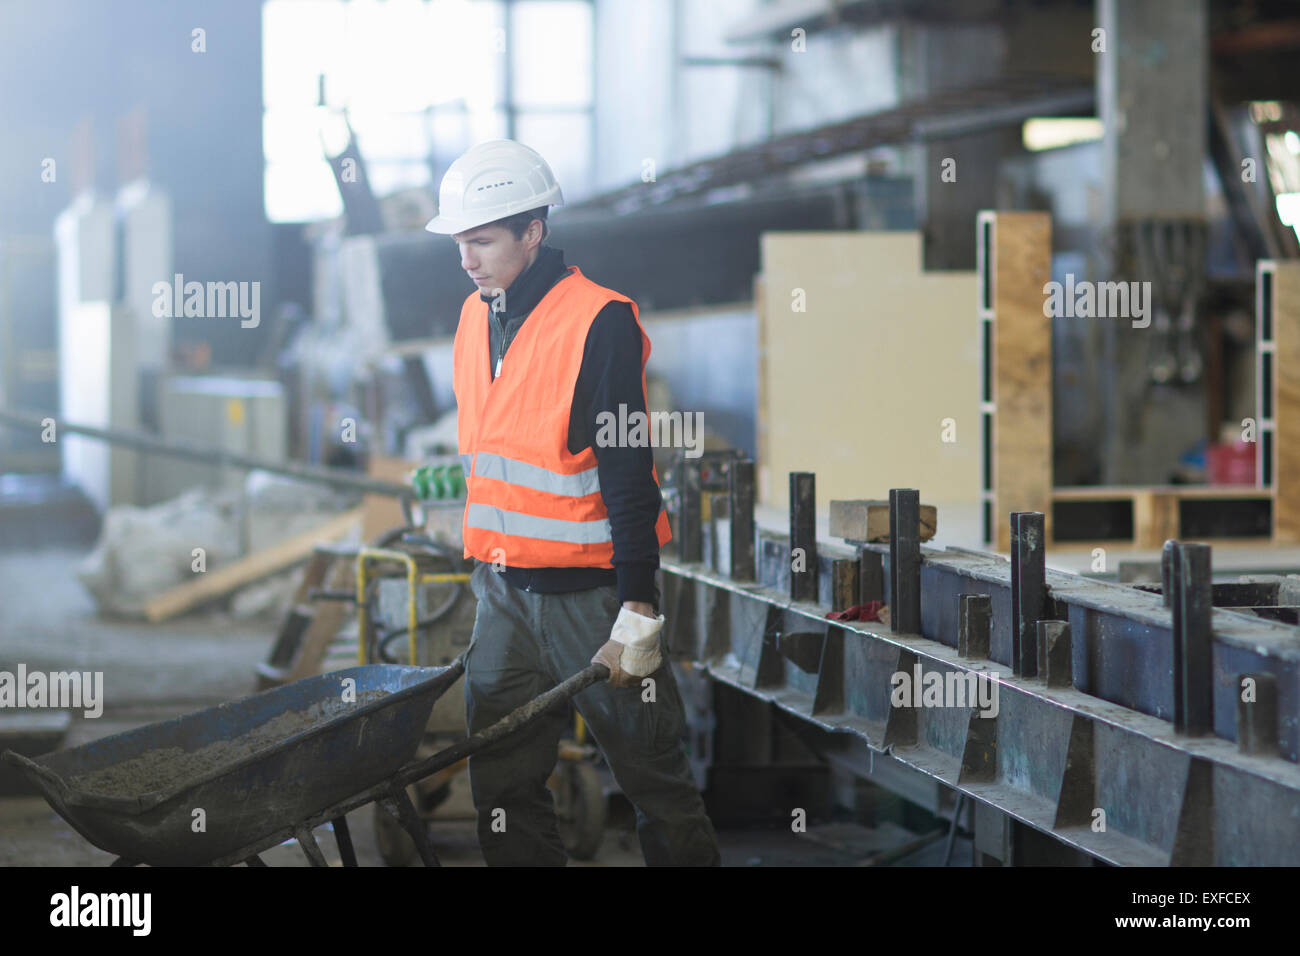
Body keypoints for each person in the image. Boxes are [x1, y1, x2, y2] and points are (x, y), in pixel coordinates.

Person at [424, 139, 720, 866]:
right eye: (460, 241)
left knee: (654, 780)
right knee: (502, 784)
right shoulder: (473, 317)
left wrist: (639, 605)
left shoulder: (599, 320)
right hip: (504, 595)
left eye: (484, 240)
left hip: (591, 597)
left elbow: (627, 472)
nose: (468, 259)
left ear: (533, 231)